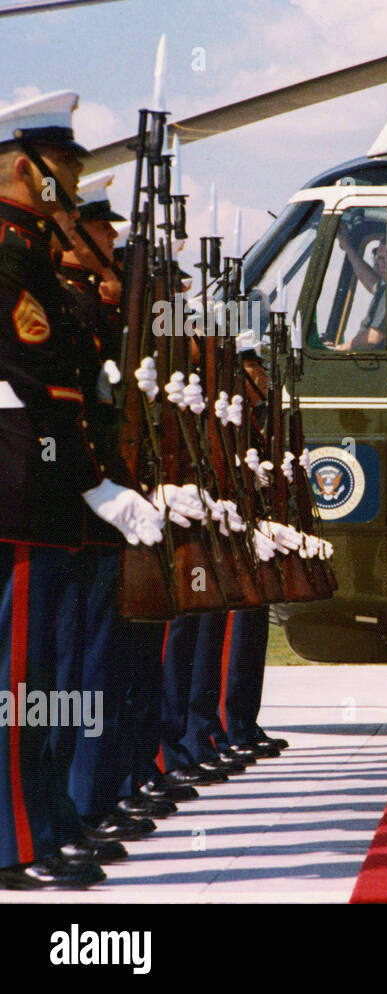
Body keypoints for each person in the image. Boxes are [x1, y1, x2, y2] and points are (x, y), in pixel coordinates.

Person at [0, 91, 165, 890]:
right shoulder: (8, 246)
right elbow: (31, 384)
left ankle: (45, 820)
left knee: (40, 681)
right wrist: (94, 481)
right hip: (23, 485)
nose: (73, 183)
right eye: (64, 168)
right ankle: (14, 841)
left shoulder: (25, 248)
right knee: (22, 684)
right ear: (27, 167)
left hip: (43, 486)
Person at [334, 227, 387, 351]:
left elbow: (373, 337)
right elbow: (372, 282)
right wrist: (347, 247)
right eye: (380, 258)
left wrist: (340, 349)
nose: (384, 264)